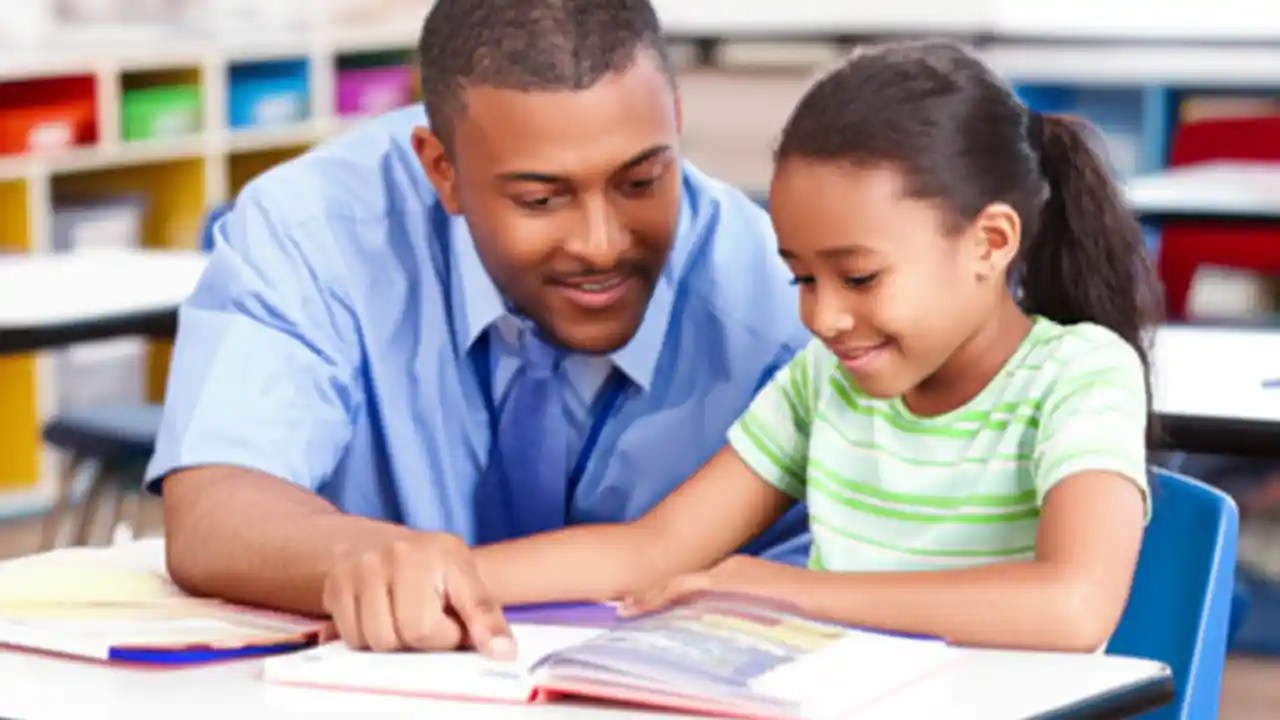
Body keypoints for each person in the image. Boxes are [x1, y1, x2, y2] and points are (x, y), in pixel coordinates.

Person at [144, 0, 813, 657]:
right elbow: (216, 509)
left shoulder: (788, 305)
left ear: (675, 122)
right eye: (540, 200)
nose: (601, 243)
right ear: (443, 170)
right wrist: (365, 560)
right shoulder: (313, 231)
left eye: (640, 181)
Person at [470, 38, 1165, 653]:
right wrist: (446, 575)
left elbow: (1073, 606)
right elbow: (652, 550)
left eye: (858, 276)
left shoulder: (1080, 374)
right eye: (803, 276)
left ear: (990, 242)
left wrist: (793, 594)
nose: (824, 317)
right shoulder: (824, 383)